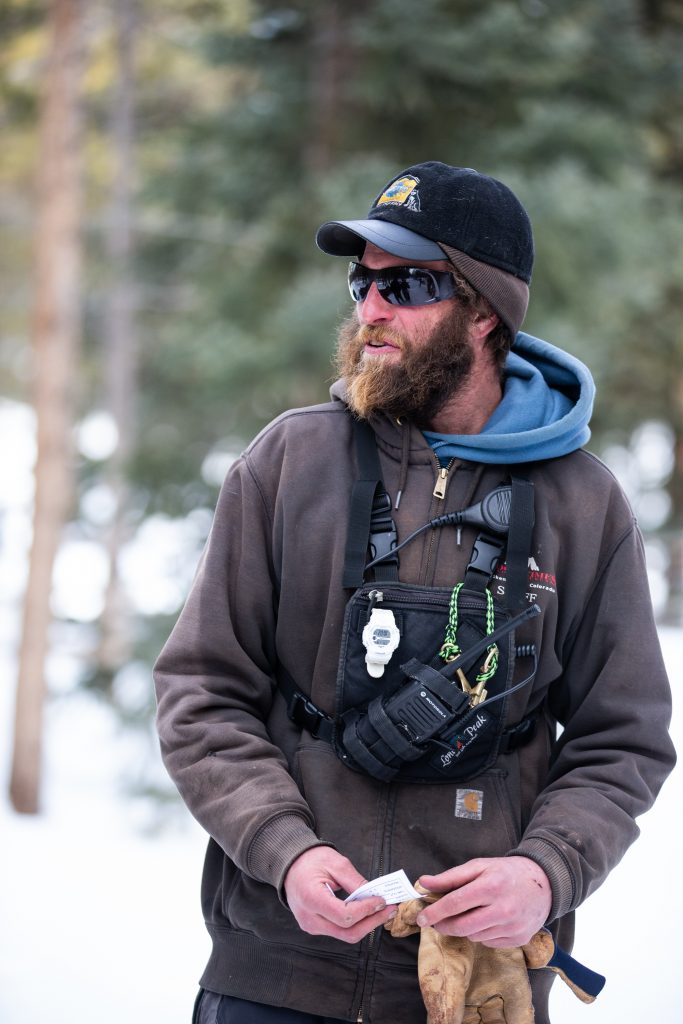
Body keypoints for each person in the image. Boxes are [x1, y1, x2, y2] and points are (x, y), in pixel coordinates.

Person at [154, 161, 675, 1024]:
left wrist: (542, 872)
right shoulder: (290, 463)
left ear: (483, 312)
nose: (369, 308)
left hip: (473, 986)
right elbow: (200, 692)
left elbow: (622, 741)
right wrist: (285, 851)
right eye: (362, 280)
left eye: (406, 283)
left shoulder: (584, 503)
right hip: (277, 969)